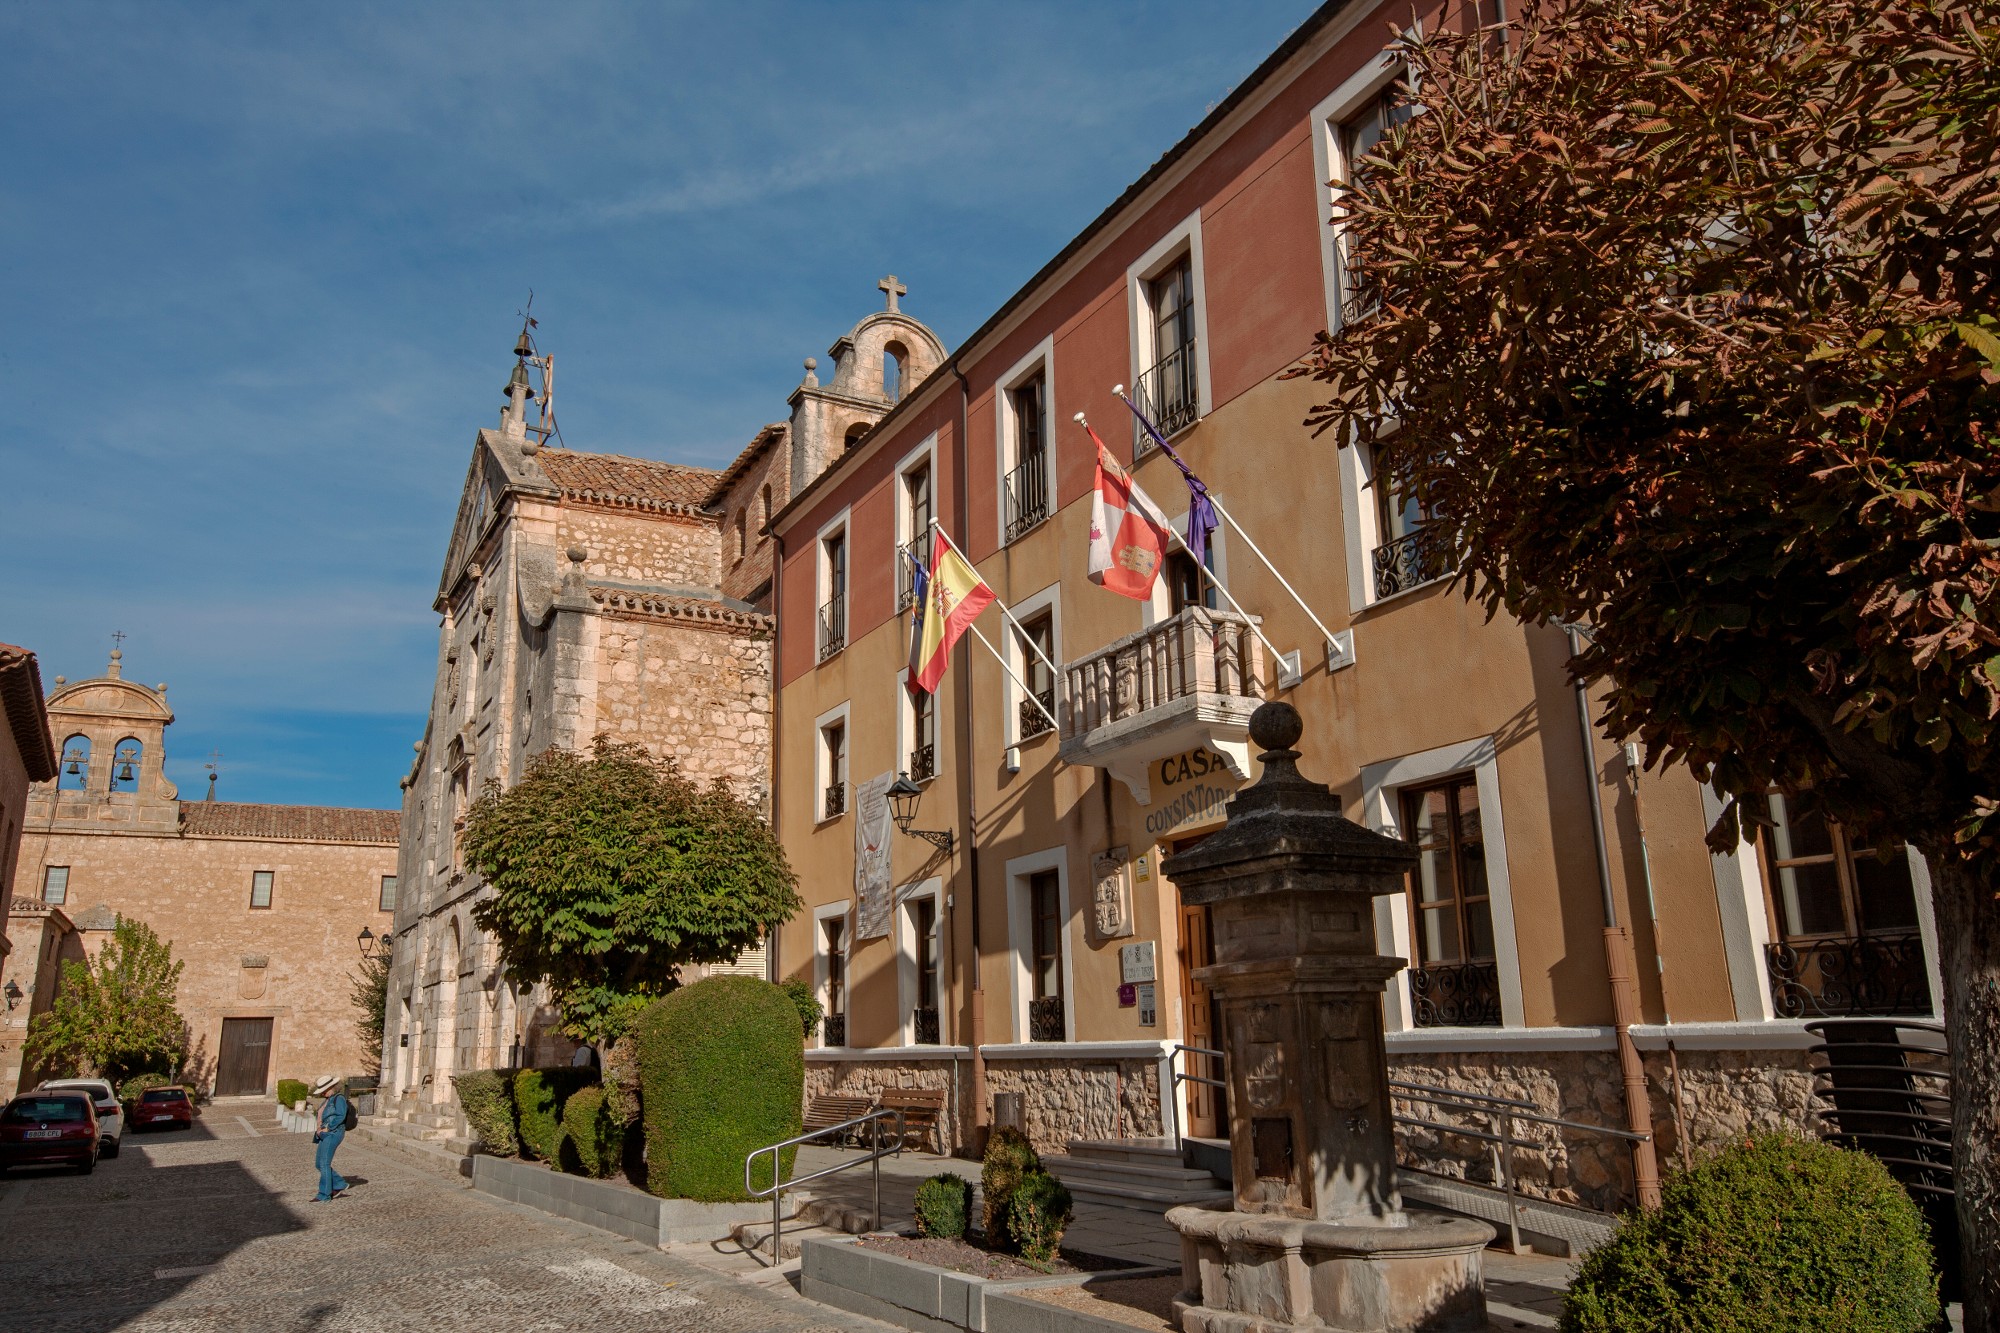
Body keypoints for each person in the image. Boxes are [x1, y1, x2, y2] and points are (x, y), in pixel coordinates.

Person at [310, 1073, 350, 1202]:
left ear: (331, 1087)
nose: (322, 1093)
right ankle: (339, 1183)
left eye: (324, 1091)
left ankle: (324, 1194)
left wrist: (329, 1127)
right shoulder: (327, 1100)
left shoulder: (339, 1099)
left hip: (333, 1133)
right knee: (318, 1164)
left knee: (324, 1163)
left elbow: (341, 1115)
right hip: (324, 1134)